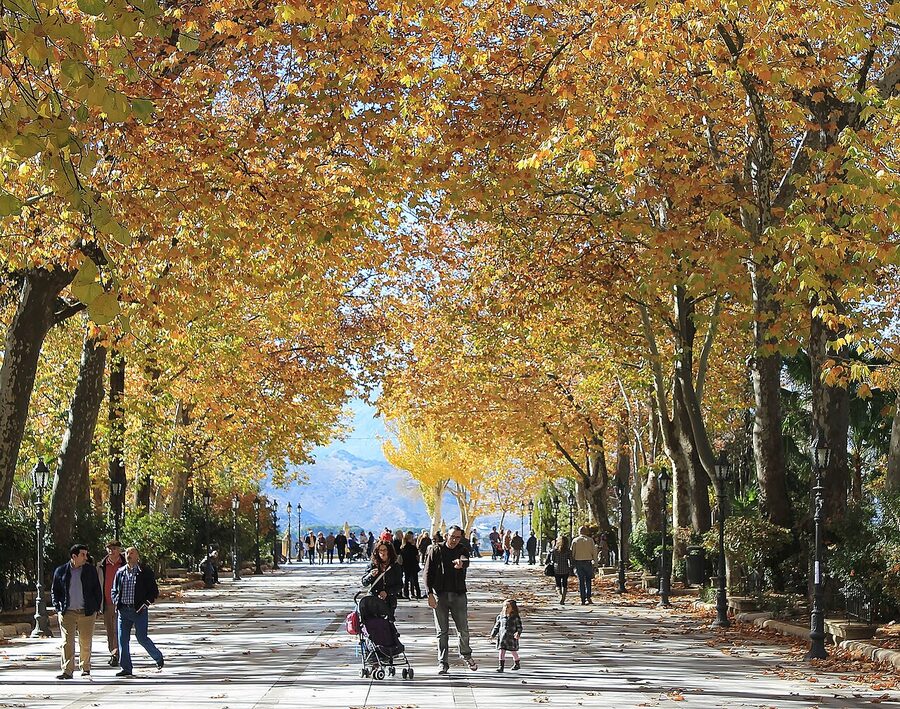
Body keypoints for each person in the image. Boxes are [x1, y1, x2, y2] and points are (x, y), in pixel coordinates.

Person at [423, 524, 477, 675]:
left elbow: (466, 561)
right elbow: (427, 573)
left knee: (463, 629)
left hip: (458, 594)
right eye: (452, 536)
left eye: (457, 537)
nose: (454, 540)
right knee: (442, 631)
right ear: (446, 535)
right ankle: (442, 662)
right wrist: (429, 594)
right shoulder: (435, 550)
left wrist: (462, 564)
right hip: (440, 595)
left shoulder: (462, 549)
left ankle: (466, 654)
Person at [111, 546, 164, 678]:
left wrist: (145, 604)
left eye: (132, 552)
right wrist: (117, 601)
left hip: (139, 611)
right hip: (123, 611)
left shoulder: (144, 572)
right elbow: (114, 591)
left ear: (138, 556)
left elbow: (153, 592)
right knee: (122, 639)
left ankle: (158, 657)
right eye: (127, 553)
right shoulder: (120, 572)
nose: (129, 555)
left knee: (141, 638)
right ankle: (126, 668)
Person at [51, 544, 102, 679]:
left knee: (85, 641)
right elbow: (55, 591)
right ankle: (67, 670)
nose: (86, 557)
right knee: (67, 642)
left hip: (87, 611)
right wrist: (58, 607)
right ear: (74, 556)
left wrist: (96, 607)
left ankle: (85, 667)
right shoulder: (61, 571)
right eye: (83, 555)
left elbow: (97, 589)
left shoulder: (90, 571)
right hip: (67, 612)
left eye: (86, 554)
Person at [97, 540, 126, 667]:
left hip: (123, 603)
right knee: (110, 630)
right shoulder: (101, 566)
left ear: (119, 550)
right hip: (107, 603)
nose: (111, 551)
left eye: (114, 548)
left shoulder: (125, 564)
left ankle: (118, 653)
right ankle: (114, 653)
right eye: (108, 548)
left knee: (119, 629)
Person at [361, 541, 403, 620]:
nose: (382, 553)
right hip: (374, 600)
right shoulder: (372, 565)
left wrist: (387, 592)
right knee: (374, 625)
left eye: (385, 550)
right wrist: (370, 575)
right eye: (380, 550)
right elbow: (364, 582)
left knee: (388, 626)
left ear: (389, 551)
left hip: (389, 602)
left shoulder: (395, 566)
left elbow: (400, 585)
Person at [490, 599, 523, 672]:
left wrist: (518, 633)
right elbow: (497, 626)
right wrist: (493, 634)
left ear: (513, 609)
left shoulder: (515, 618)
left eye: (508, 607)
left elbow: (519, 627)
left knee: (513, 651)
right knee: (501, 651)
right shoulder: (500, 617)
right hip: (502, 638)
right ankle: (501, 667)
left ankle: (517, 663)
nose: (505, 608)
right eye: (504, 606)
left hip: (511, 638)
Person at [571, 525, 599, 605]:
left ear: (579, 532)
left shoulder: (575, 540)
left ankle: (582, 599)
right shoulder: (590, 540)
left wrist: (572, 564)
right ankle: (588, 597)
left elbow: (572, 553)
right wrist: (596, 564)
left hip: (578, 562)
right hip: (588, 562)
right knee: (588, 580)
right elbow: (594, 553)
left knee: (581, 581)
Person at [547, 535, 573, 605]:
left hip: (557, 569)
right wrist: (571, 567)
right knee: (564, 584)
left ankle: (560, 595)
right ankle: (563, 597)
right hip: (565, 569)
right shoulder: (568, 551)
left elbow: (552, 560)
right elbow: (571, 560)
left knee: (558, 584)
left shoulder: (555, 551)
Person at [400, 530, 422, 599]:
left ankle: (406, 594)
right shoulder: (413, 548)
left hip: (406, 566)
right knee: (415, 581)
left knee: (406, 580)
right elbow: (417, 557)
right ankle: (418, 594)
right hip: (413, 566)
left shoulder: (403, 548)